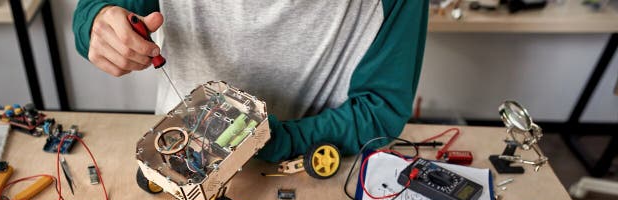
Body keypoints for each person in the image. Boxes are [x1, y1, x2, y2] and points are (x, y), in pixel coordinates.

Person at [73, 1, 428, 162]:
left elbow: (381, 109)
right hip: (176, 156)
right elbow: (96, 12)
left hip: (305, 168)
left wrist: (275, 138)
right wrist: (97, 22)